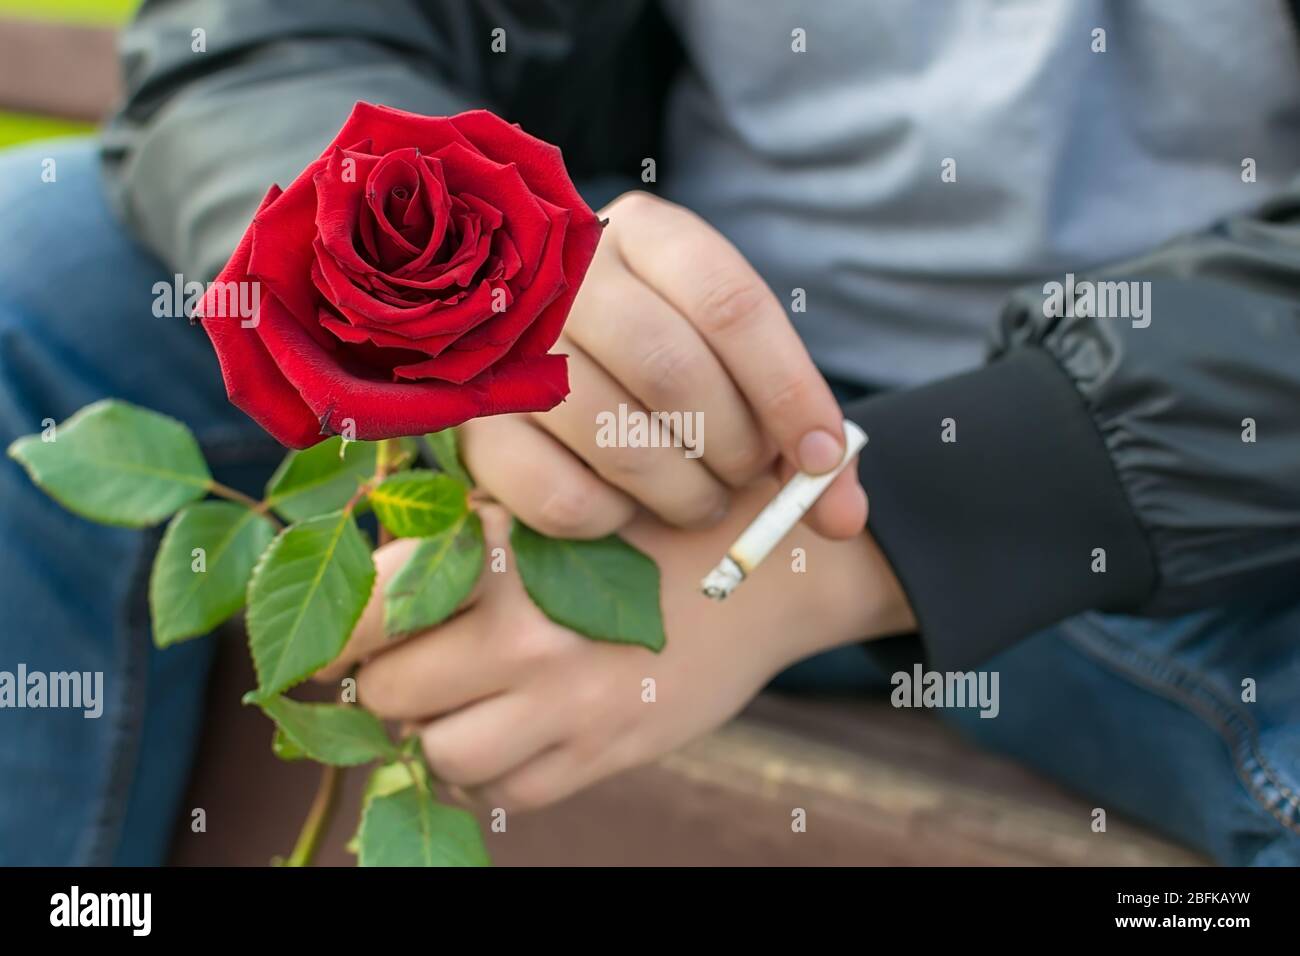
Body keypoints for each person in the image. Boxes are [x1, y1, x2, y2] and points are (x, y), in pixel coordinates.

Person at [2, 0, 1298, 865]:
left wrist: (849, 542)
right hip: (634, 318)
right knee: (29, 275)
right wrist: (495, 280)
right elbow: (278, 36)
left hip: (1202, 481)